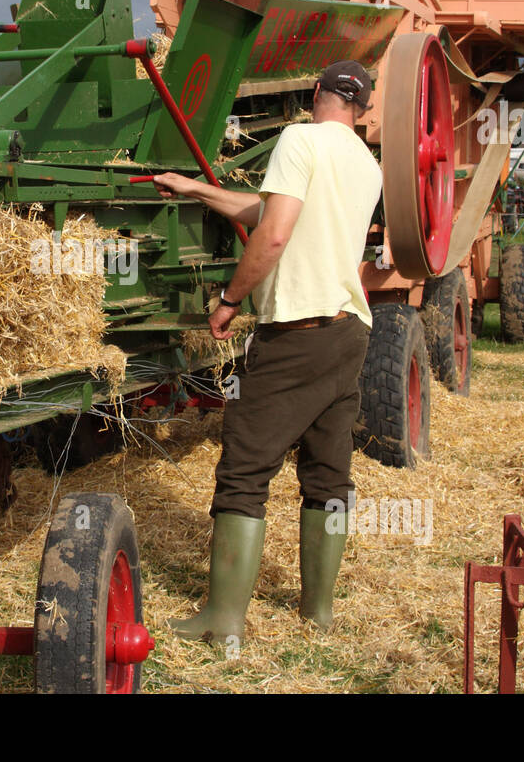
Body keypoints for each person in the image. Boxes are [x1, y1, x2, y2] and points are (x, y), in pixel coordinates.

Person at [155, 60, 383, 641]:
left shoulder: (298, 138)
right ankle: (318, 612)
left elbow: (275, 234)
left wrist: (231, 299)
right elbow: (272, 211)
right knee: (328, 475)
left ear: (314, 94)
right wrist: (201, 190)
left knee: (244, 469)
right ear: (361, 108)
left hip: (297, 333)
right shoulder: (365, 162)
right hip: (348, 329)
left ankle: (223, 620)